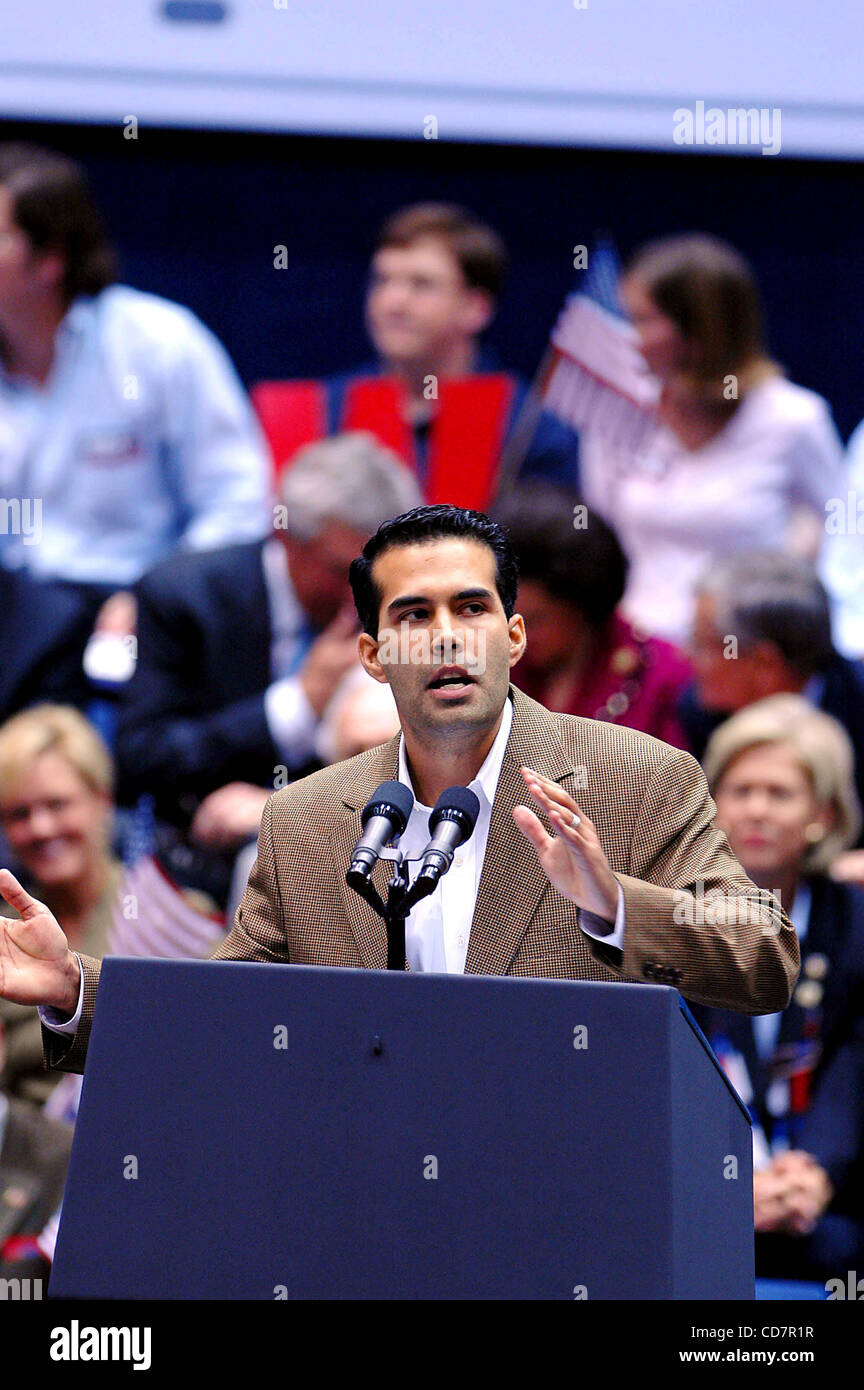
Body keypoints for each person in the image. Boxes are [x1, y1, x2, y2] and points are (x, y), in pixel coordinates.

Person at [0, 505, 800, 1078]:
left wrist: (614, 904)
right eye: (414, 615)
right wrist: (77, 987)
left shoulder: (638, 779)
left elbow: (763, 957)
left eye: (472, 608)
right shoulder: (308, 821)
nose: (447, 634)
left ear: (513, 638)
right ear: (375, 656)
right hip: (370, 1215)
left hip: (569, 1205)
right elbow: (226, 1019)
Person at [0, 142, 272, 639]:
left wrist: (162, 594)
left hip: (136, 608)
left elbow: (237, 501)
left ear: (50, 259)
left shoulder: (158, 343)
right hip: (15, 611)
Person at [115, 432, 423, 840]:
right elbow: (145, 758)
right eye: (344, 571)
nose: (366, 596)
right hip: (210, 850)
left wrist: (282, 809)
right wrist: (296, 706)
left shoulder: (408, 606)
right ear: (287, 539)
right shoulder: (184, 597)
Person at [578, 233, 846, 645]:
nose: (626, 337)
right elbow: (597, 542)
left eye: (643, 320)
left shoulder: (793, 418)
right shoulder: (618, 413)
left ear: (701, 330)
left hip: (748, 658)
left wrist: (790, 580)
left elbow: (842, 535)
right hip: (638, 655)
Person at [693, 695, 864, 1278]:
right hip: (705, 1192)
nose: (757, 810)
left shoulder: (854, 923)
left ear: (824, 814)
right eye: (740, 791)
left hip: (825, 1200)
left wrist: (814, 1171)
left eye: (780, 793)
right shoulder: (673, 917)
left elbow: (855, 1059)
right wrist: (735, 1180)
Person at [327, 202, 580, 494]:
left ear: (475, 308)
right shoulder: (331, 410)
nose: (392, 302)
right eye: (382, 281)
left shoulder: (529, 428)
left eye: (421, 284)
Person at [681, 551, 864, 841]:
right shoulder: (696, 712)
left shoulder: (858, 703)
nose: (686, 657)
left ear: (764, 664)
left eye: (703, 645)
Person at [495, 483, 692, 747]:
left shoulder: (663, 675)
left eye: (535, 619)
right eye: (504, 615)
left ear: (582, 605)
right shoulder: (493, 667)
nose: (515, 633)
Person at [0, 705, 120, 1105]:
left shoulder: (169, 910)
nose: (41, 828)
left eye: (57, 805)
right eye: (20, 813)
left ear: (102, 799)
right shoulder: (4, 928)